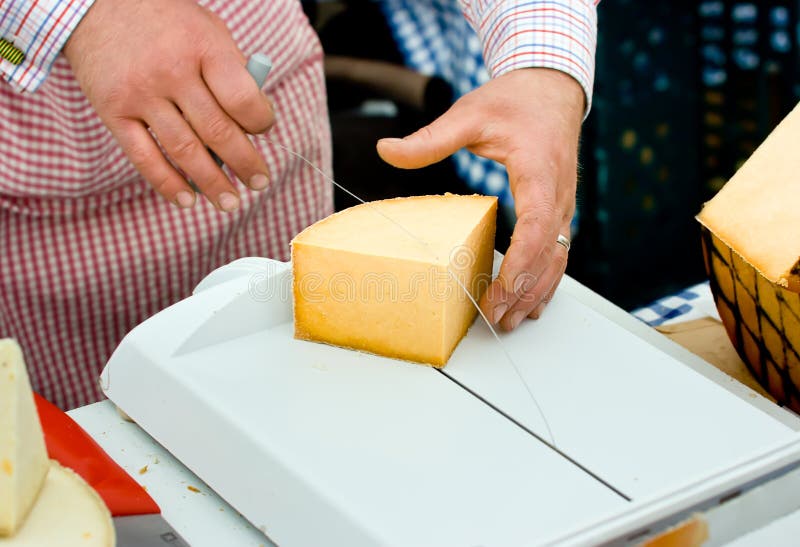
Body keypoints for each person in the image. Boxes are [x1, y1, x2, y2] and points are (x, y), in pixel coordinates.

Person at [0, 0, 597, 409]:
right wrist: (78, 12)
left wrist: (543, 63)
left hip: (269, 105)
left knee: (309, 396)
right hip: (45, 194)